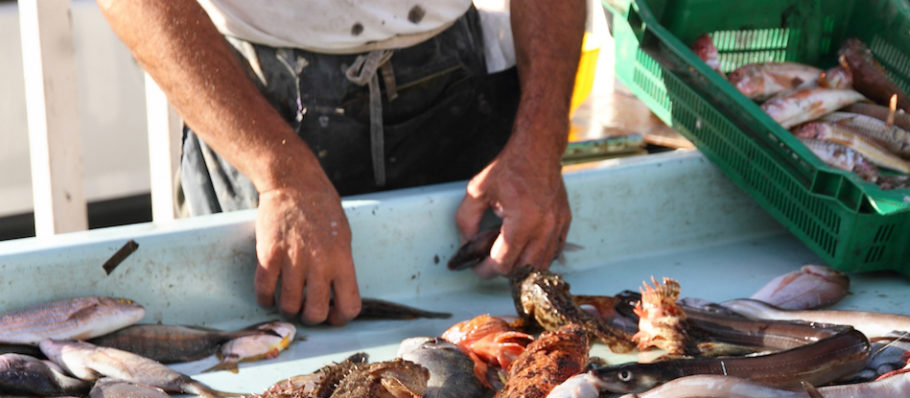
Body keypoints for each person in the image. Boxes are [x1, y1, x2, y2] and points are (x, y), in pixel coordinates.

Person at [98, 0, 586, 326]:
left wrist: (541, 140)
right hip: (251, 102)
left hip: (455, 79)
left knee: (495, 350)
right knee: (257, 384)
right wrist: (281, 177)